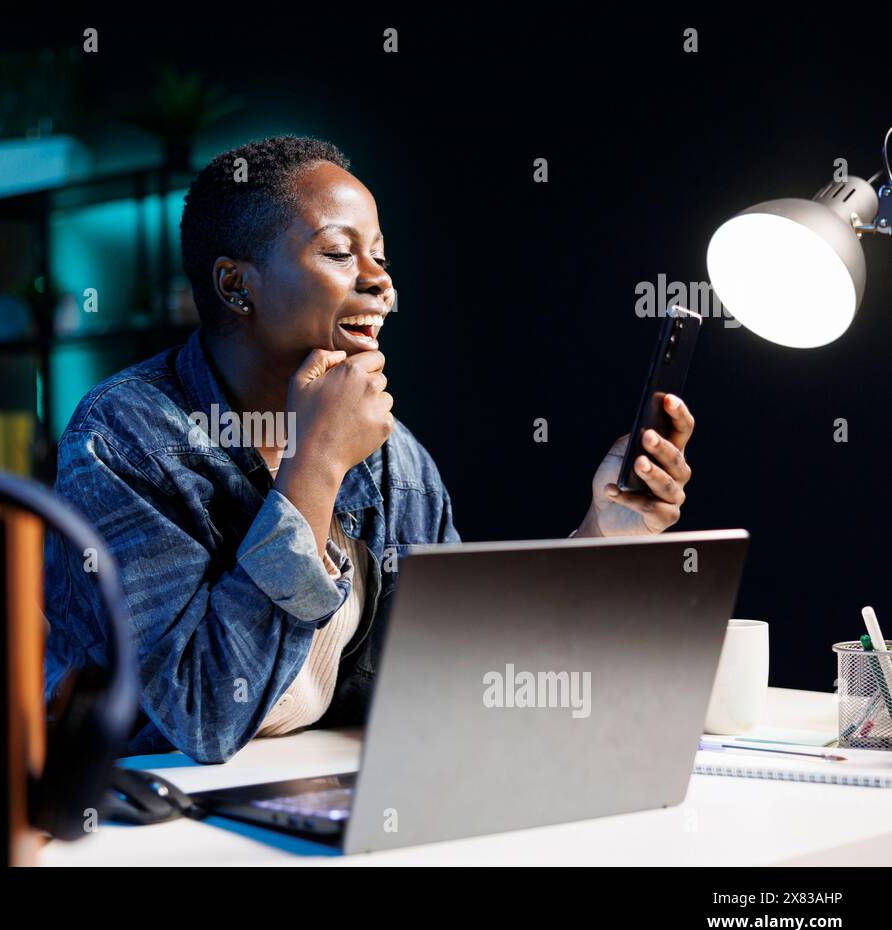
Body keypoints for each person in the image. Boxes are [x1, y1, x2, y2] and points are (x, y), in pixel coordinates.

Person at [43, 135, 694, 763]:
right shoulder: (125, 437)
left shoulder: (391, 455)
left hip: (308, 790)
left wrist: (605, 533)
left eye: (380, 253)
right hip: (143, 813)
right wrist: (316, 466)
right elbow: (200, 719)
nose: (381, 281)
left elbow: (466, 669)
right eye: (338, 252)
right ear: (237, 285)